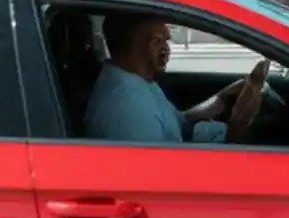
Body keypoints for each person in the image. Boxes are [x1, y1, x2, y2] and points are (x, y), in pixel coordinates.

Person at [85, 13, 262, 144]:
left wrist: (222, 98)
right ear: (131, 46)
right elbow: (161, 177)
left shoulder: (138, 82)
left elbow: (180, 120)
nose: (166, 49)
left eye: (166, 42)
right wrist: (239, 123)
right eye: (157, 42)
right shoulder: (127, 108)